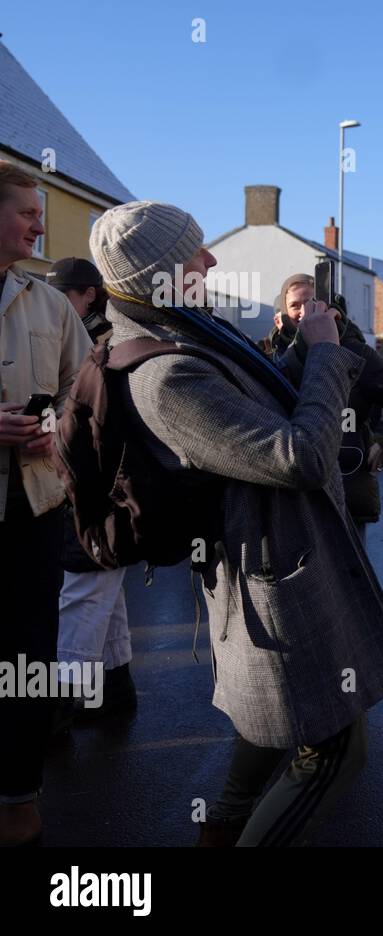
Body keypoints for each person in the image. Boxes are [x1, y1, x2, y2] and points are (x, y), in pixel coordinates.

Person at [89, 201, 383, 846]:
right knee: (333, 750)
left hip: (287, 559)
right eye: (194, 254)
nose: (210, 261)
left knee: (274, 724)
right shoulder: (165, 372)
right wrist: (322, 356)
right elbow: (299, 458)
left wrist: (306, 349)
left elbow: (258, 405)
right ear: (158, 274)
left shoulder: (192, 330)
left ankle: (224, 825)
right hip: (274, 582)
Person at [0, 162, 93, 846]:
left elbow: (81, 393)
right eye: (29, 212)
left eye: (40, 211)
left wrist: (53, 429)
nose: (41, 224)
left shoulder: (50, 304)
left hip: (32, 510)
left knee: (28, 656)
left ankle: (18, 796)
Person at [46, 258, 136, 730]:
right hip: (98, 482)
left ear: (88, 295)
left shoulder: (106, 342)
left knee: (83, 592)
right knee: (104, 593)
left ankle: (59, 704)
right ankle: (115, 688)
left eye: (63, 294)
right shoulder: (79, 335)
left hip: (105, 485)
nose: (52, 303)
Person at [265, 275, 383, 541]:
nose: (303, 311)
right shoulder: (270, 358)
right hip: (288, 493)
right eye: (294, 305)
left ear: (325, 307)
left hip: (347, 486)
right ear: (282, 313)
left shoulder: (353, 351)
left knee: (349, 578)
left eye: (311, 302)